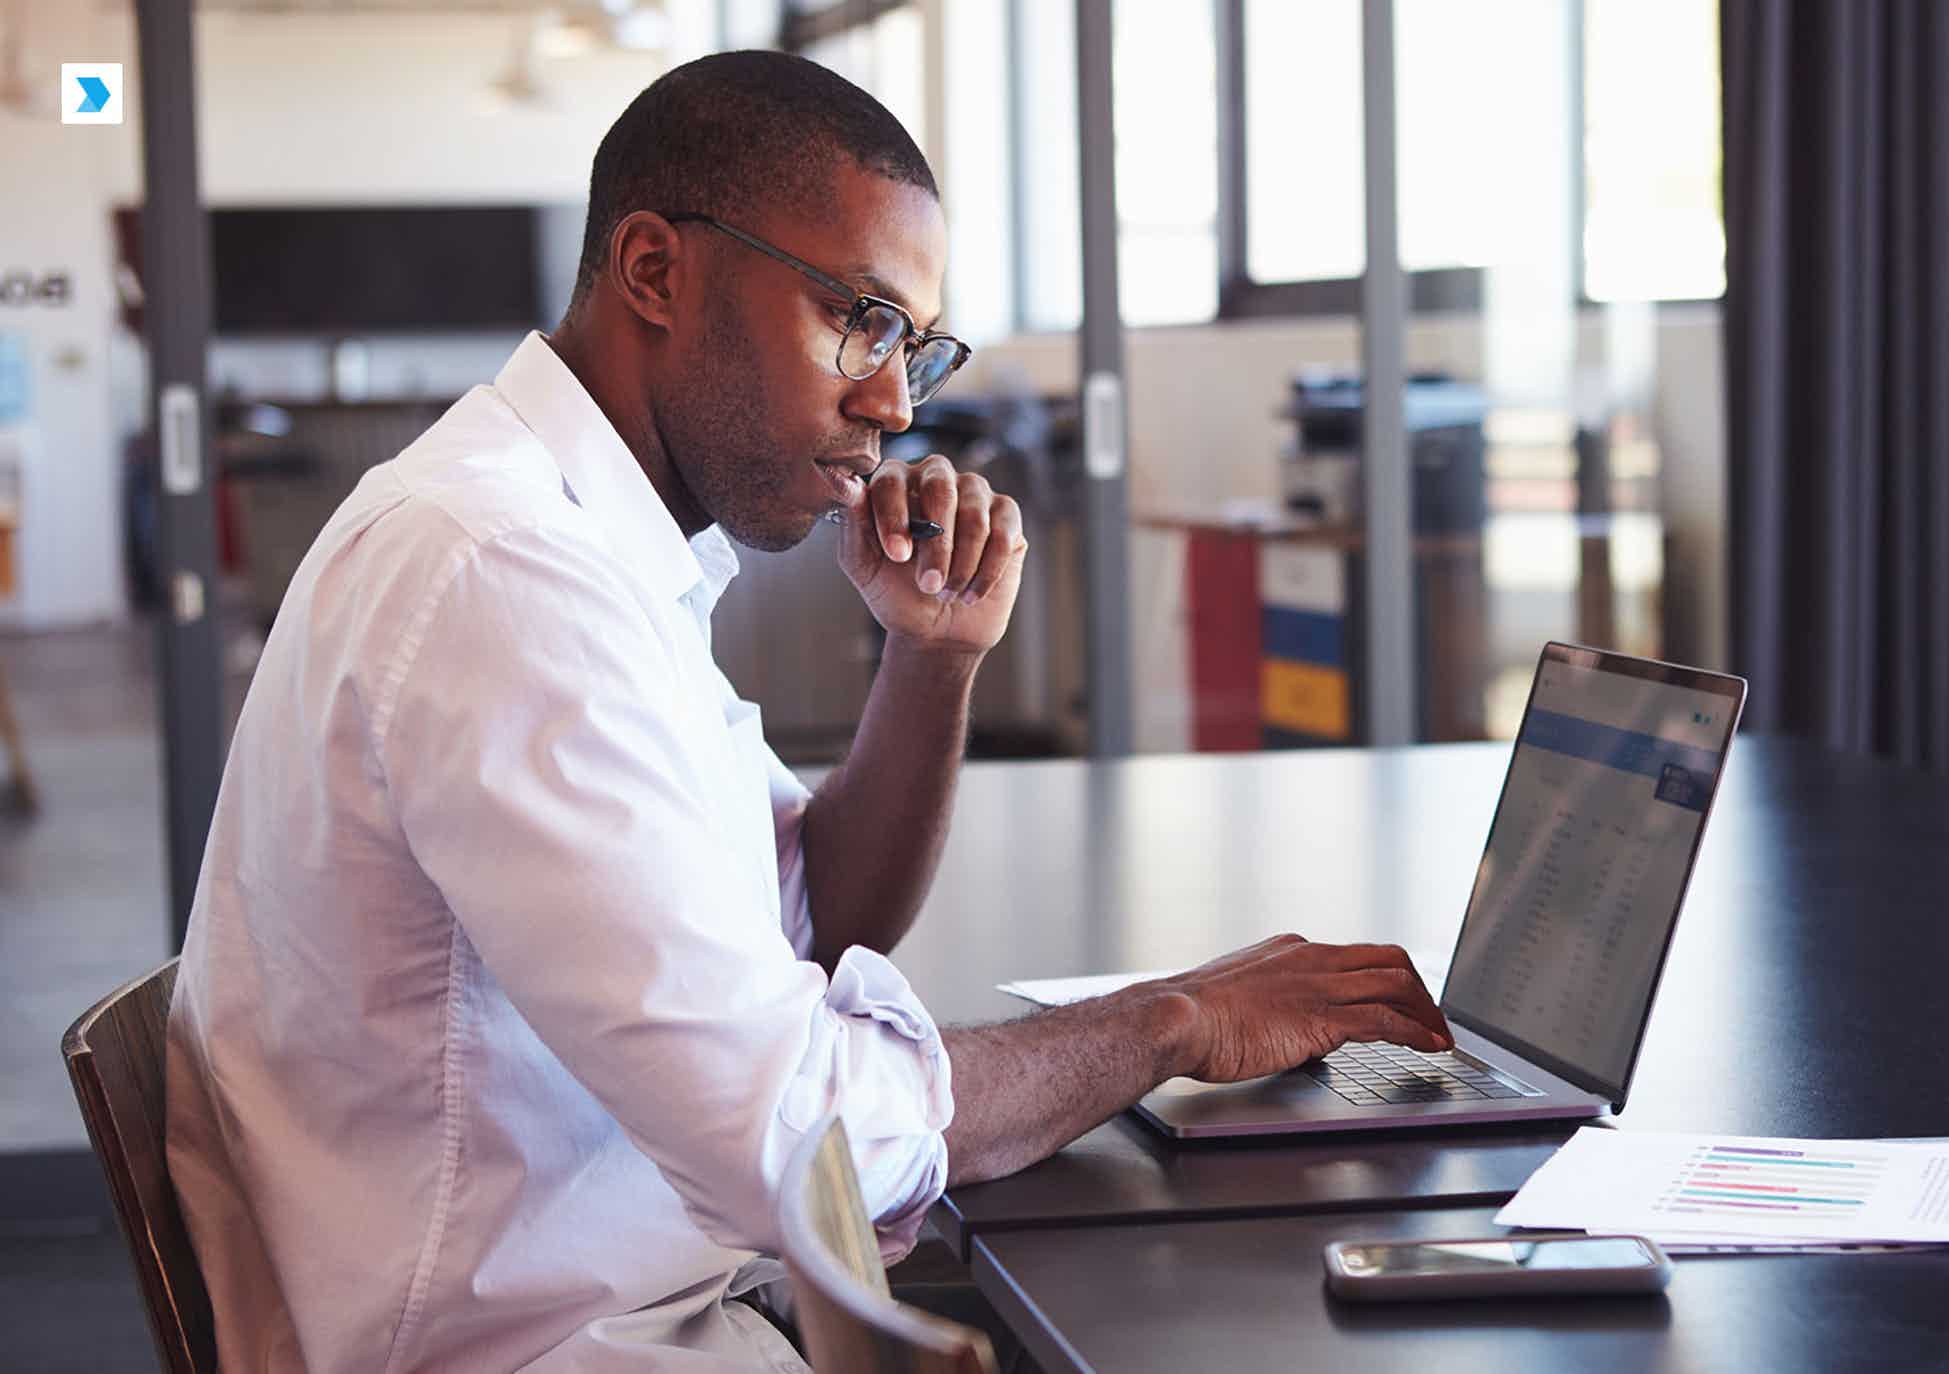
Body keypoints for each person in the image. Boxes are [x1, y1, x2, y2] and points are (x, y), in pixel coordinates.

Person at [164, 50, 1451, 1373]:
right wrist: (1172, 1021)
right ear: (657, 271)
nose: (893, 403)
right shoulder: (501, 569)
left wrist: (931, 656)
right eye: (858, 319)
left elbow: (812, 911)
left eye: (913, 346)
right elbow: (796, 1142)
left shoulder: (589, 550)